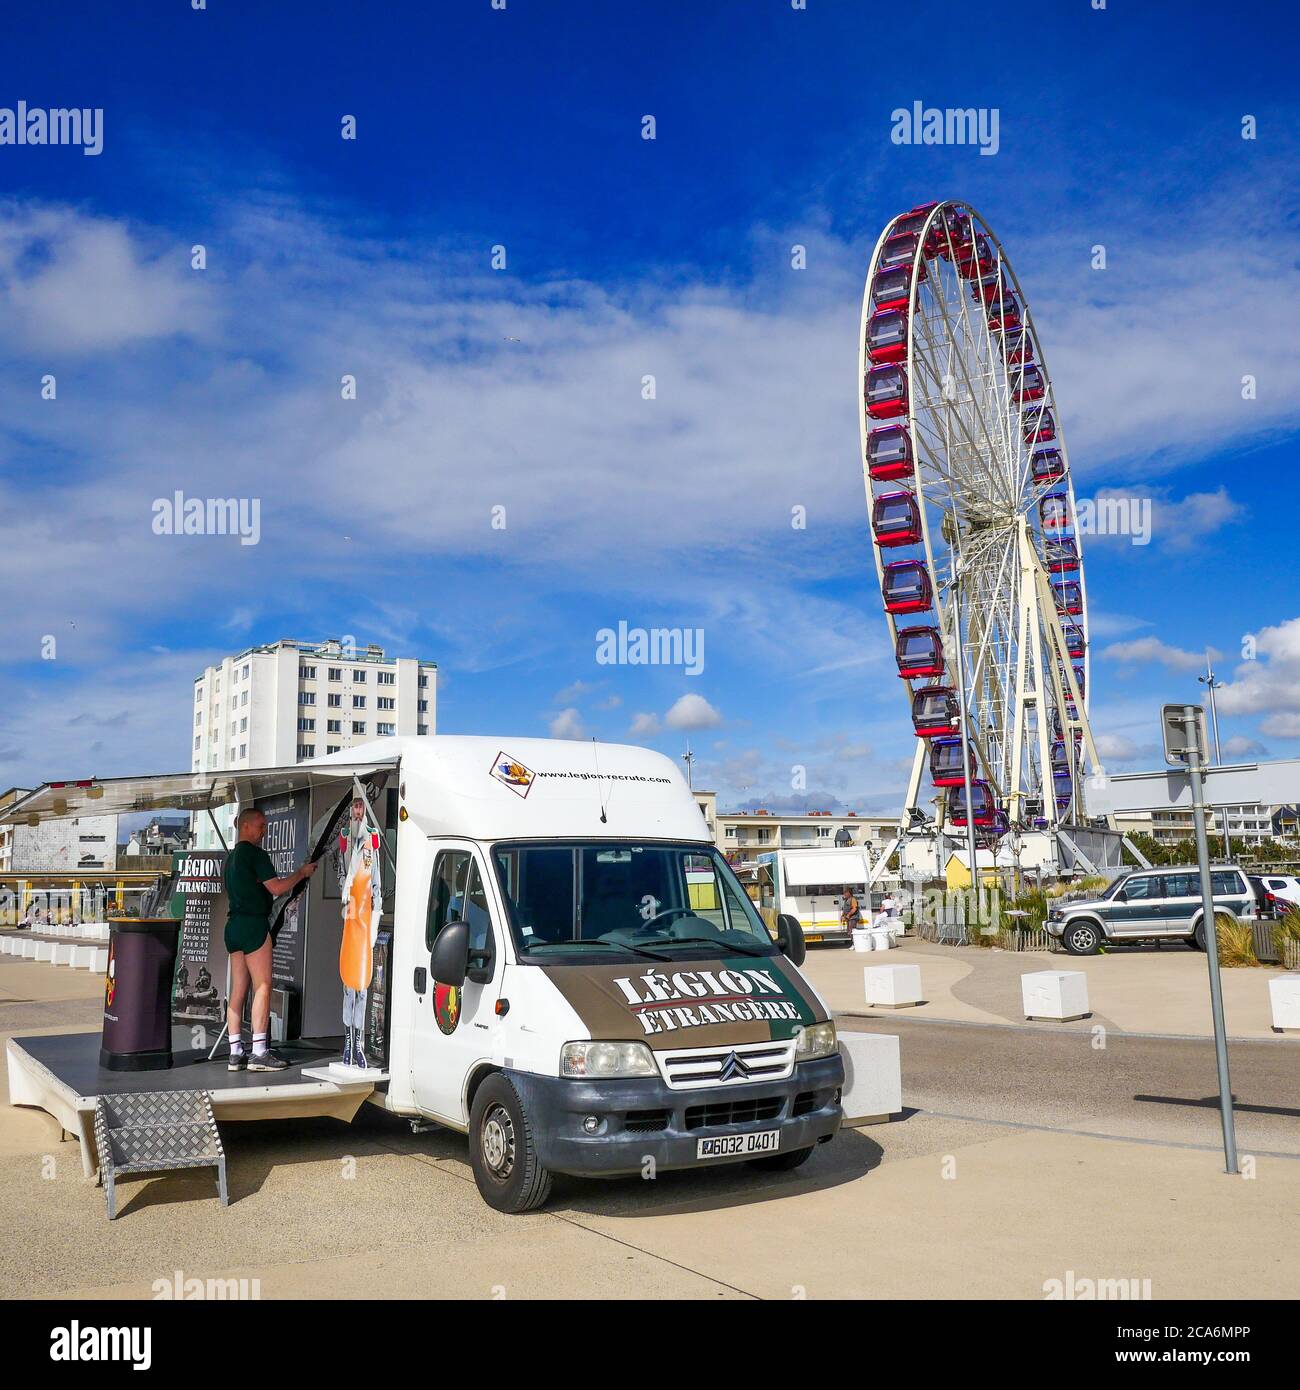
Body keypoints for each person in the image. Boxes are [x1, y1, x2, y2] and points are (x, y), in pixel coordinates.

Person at [223, 807, 317, 1072]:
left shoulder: (231, 858)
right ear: (245, 827)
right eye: (261, 826)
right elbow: (275, 887)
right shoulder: (255, 854)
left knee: (238, 989)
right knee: (263, 985)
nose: (264, 831)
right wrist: (301, 873)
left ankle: (235, 1052)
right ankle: (260, 1052)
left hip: (233, 926)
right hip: (253, 924)